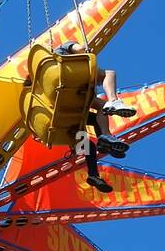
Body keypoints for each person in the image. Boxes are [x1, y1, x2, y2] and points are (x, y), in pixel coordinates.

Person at [53, 40, 136, 195]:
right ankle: (113, 105)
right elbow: (81, 49)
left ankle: (94, 174)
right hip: (71, 88)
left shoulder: (49, 64)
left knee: (89, 144)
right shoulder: (66, 48)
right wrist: (87, 49)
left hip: (64, 112)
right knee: (108, 77)